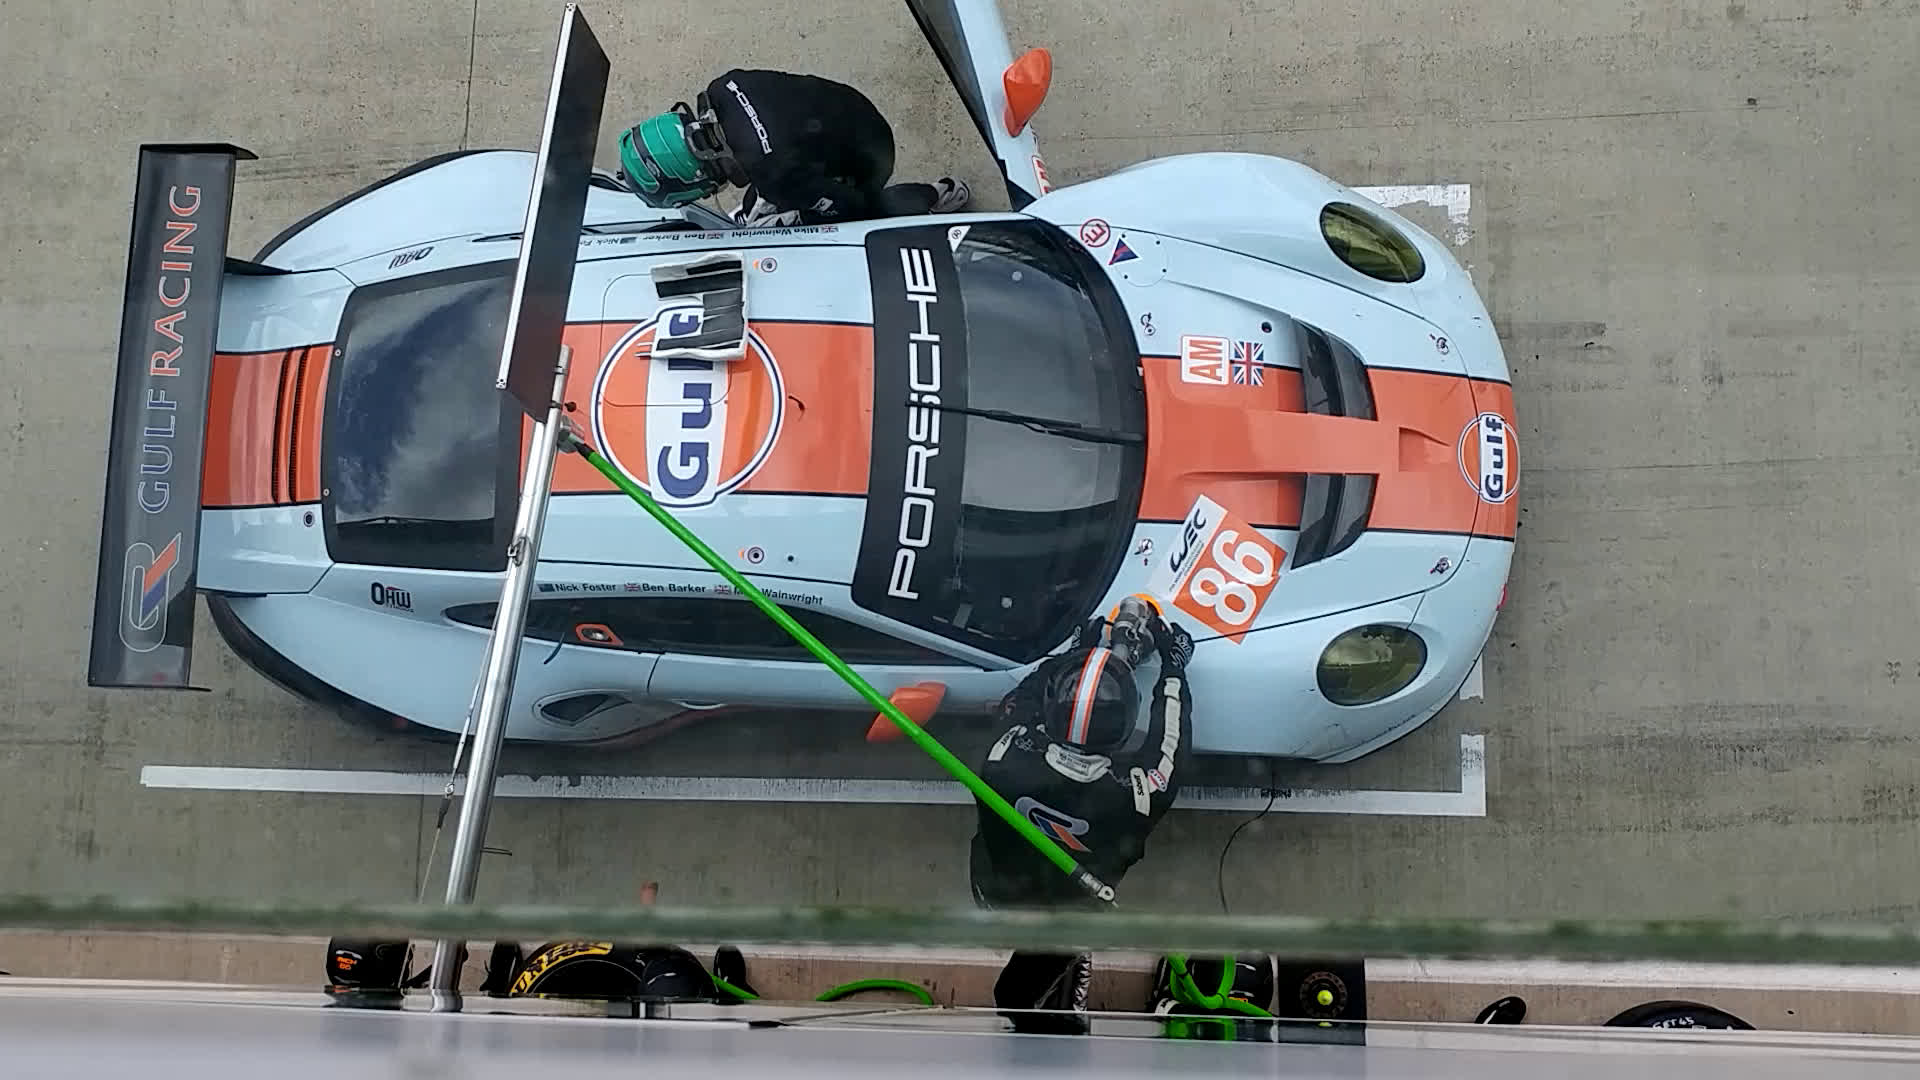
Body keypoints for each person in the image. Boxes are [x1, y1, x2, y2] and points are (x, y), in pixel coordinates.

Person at [969, 601, 1196, 1034]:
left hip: (995, 895)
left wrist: (1079, 653)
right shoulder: (1131, 798)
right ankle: (1059, 989)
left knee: (1028, 968)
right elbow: (1170, 749)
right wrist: (1174, 670)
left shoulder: (1002, 760)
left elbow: (1020, 701)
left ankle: (1036, 994)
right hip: (1073, 909)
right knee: (1065, 936)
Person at [617, 68, 972, 226]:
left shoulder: (771, 174)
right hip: (851, 109)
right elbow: (767, 138)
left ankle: (936, 195)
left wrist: (802, 216)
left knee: (858, 217)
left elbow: (849, 206)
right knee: (783, 173)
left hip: (870, 153)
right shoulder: (724, 85)